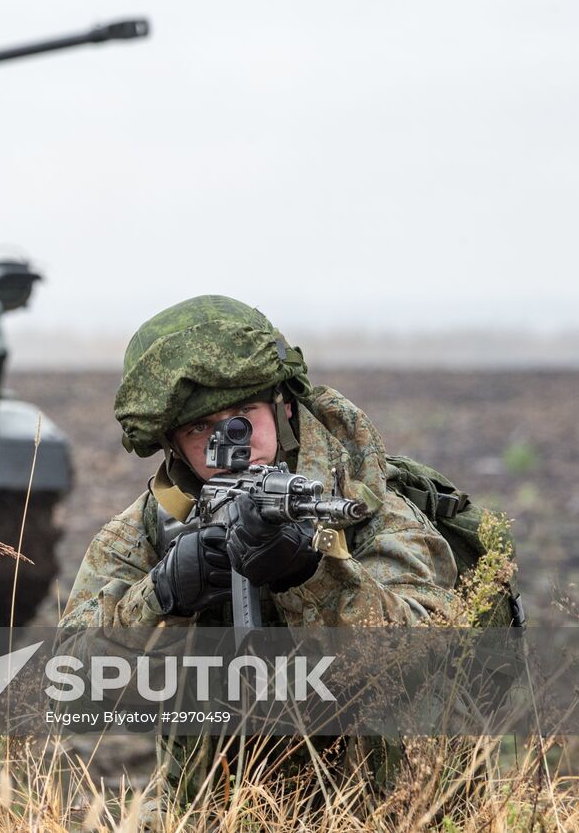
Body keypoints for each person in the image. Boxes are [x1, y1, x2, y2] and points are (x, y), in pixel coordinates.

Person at [60, 294, 459, 802]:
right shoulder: (151, 527)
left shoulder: (370, 504)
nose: (229, 440)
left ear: (284, 406)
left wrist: (310, 575)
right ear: (173, 445)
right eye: (199, 428)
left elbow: (427, 662)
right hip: (217, 806)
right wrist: (160, 598)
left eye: (244, 413)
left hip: (390, 805)